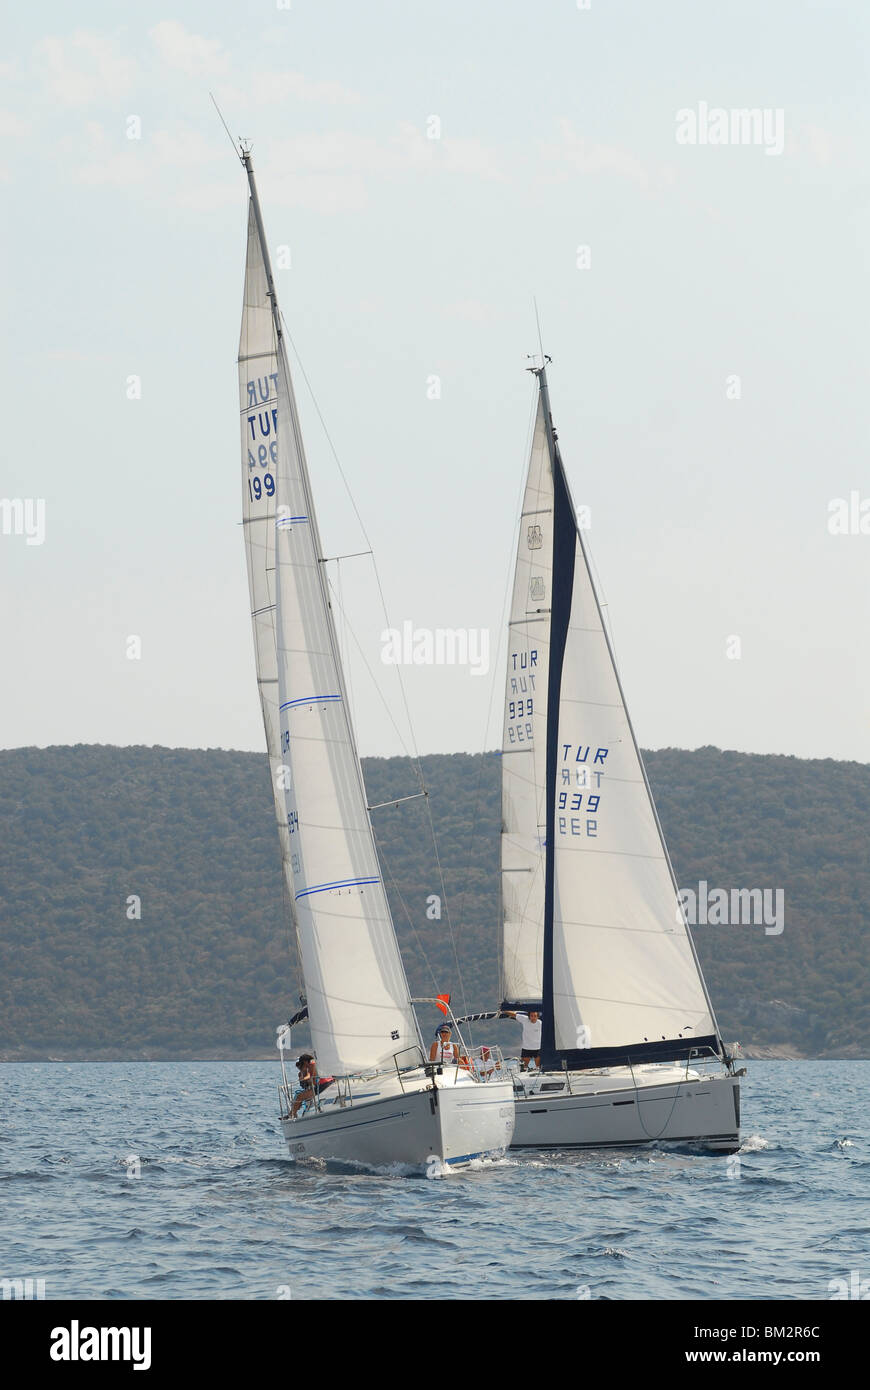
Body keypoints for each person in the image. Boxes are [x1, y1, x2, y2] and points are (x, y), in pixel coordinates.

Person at [290, 1053, 334, 1118]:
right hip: (329, 1081)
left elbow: (313, 1082)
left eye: (302, 1063)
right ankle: (292, 1113)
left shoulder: (311, 1066)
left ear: (305, 1062)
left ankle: (292, 1115)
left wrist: (308, 1081)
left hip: (323, 1085)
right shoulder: (316, 1063)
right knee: (300, 1096)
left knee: (299, 1097)